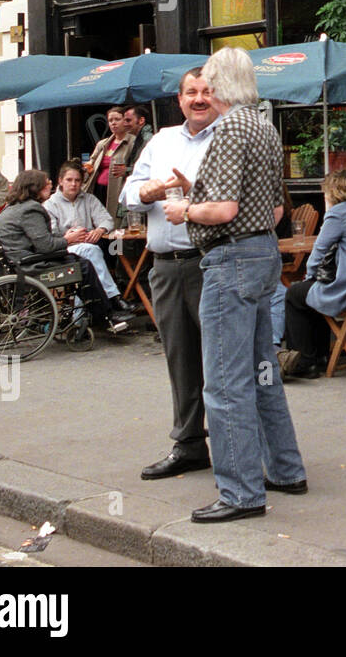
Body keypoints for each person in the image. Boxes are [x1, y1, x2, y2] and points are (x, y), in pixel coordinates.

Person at [162, 48, 306, 523]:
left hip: (230, 259)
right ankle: (284, 469)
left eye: (207, 83)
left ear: (220, 85)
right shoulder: (264, 126)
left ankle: (241, 493)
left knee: (225, 382)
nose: (204, 91)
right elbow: (274, 210)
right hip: (262, 250)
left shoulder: (228, 131)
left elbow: (222, 211)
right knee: (263, 369)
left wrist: (184, 209)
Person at [122, 67, 220, 481]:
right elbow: (129, 191)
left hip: (211, 263)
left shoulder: (229, 139)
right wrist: (146, 192)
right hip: (164, 266)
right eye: (191, 92)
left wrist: (192, 190)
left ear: (219, 96)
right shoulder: (160, 140)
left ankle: (240, 450)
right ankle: (189, 445)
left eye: (206, 92)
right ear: (179, 100)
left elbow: (237, 201)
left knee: (222, 363)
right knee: (180, 360)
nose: (198, 99)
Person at [0, 170, 136, 334]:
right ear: (35, 187)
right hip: (30, 265)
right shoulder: (30, 209)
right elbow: (46, 246)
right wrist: (69, 239)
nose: (50, 184)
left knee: (82, 257)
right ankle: (105, 314)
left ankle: (95, 311)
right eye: (46, 182)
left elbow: (41, 238)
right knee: (83, 266)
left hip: (19, 260)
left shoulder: (13, 208)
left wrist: (67, 238)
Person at [279, 169, 346, 381]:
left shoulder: (339, 213)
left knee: (295, 293)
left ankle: (304, 360)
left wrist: (308, 276)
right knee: (309, 291)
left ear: (333, 192)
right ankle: (320, 356)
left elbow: (318, 252)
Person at [45, 159, 138, 327]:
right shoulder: (50, 205)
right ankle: (113, 298)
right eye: (69, 180)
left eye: (77, 180)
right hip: (65, 250)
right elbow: (50, 234)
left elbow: (107, 220)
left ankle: (83, 319)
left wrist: (99, 230)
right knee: (92, 251)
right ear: (60, 181)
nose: (73, 184)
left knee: (111, 249)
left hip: (89, 247)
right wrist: (69, 237)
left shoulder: (88, 199)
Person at [83, 106, 135, 221]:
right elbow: (92, 161)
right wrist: (87, 167)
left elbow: (139, 167)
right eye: (110, 120)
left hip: (118, 189)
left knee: (114, 222)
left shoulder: (132, 142)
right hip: (98, 189)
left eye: (117, 119)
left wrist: (127, 170)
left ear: (124, 121)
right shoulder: (103, 143)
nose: (113, 123)